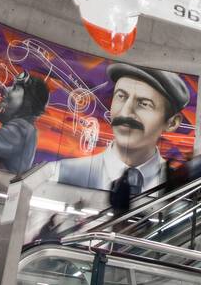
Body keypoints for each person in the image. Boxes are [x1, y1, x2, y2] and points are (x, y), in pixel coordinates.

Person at [52, 63, 190, 192]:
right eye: (121, 96)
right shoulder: (63, 172)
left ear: (172, 123)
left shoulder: (180, 188)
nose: (125, 112)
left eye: (144, 104)